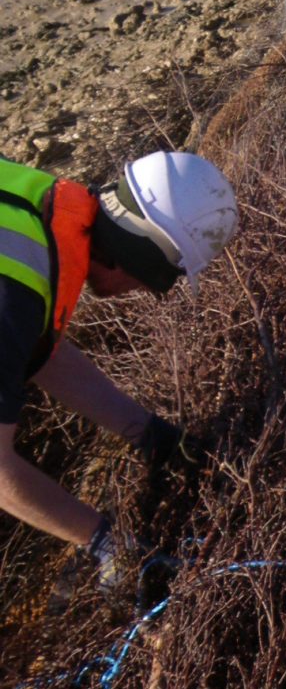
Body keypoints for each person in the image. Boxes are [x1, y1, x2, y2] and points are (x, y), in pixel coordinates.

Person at [0, 150, 238, 591]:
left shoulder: (46, 215)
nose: (146, 291)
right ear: (135, 255)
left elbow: (40, 350)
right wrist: (106, 542)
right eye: (158, 279)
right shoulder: (13, 296)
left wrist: (151, 435)